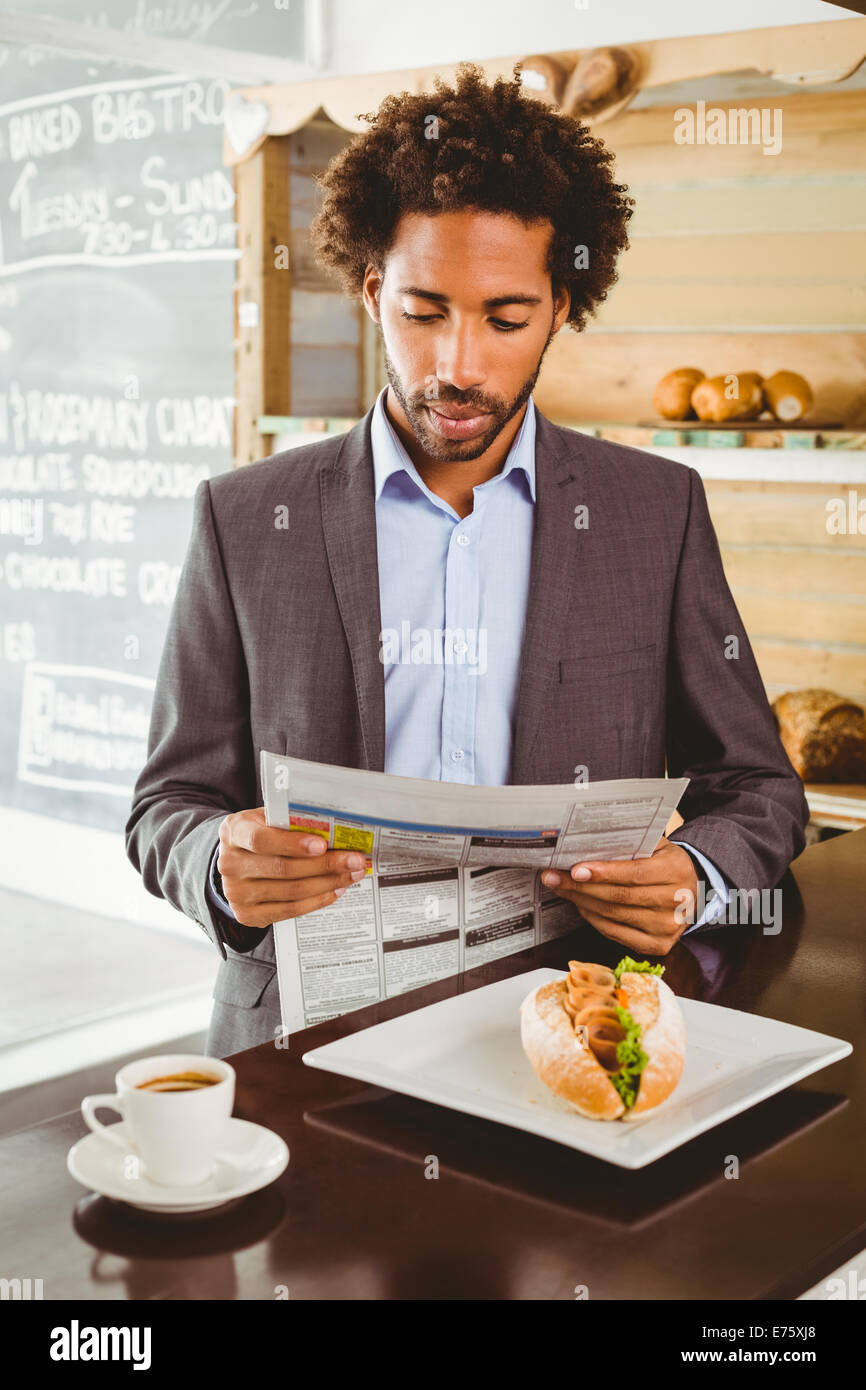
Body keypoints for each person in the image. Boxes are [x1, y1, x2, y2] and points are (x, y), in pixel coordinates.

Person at [125, 64, 809, 1058]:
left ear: (561, 306)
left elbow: (756, 785)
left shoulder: (651, 514)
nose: (457, 365)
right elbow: (165, 805)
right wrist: (210, 862)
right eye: (422, 310)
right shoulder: (243, 519)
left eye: (503, 317)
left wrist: (696, 878)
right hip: (301, 1050)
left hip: (571, 1030)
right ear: (370, 291)